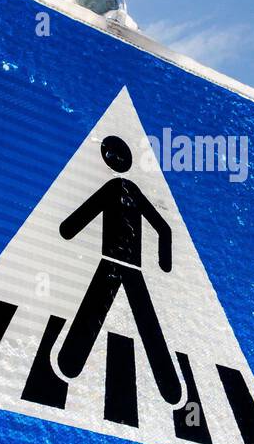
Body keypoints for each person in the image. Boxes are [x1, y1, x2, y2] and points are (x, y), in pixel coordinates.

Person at [55, 135, 183, 406]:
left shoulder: (121, 188)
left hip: (117, 263)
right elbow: (163, 228)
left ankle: (170, 388)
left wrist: (68, 230)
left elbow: (162, 226)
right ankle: (68, 366)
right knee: (132, 318)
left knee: (107, 313)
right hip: (123, 265)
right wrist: (164, 261)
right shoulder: (125, 189)